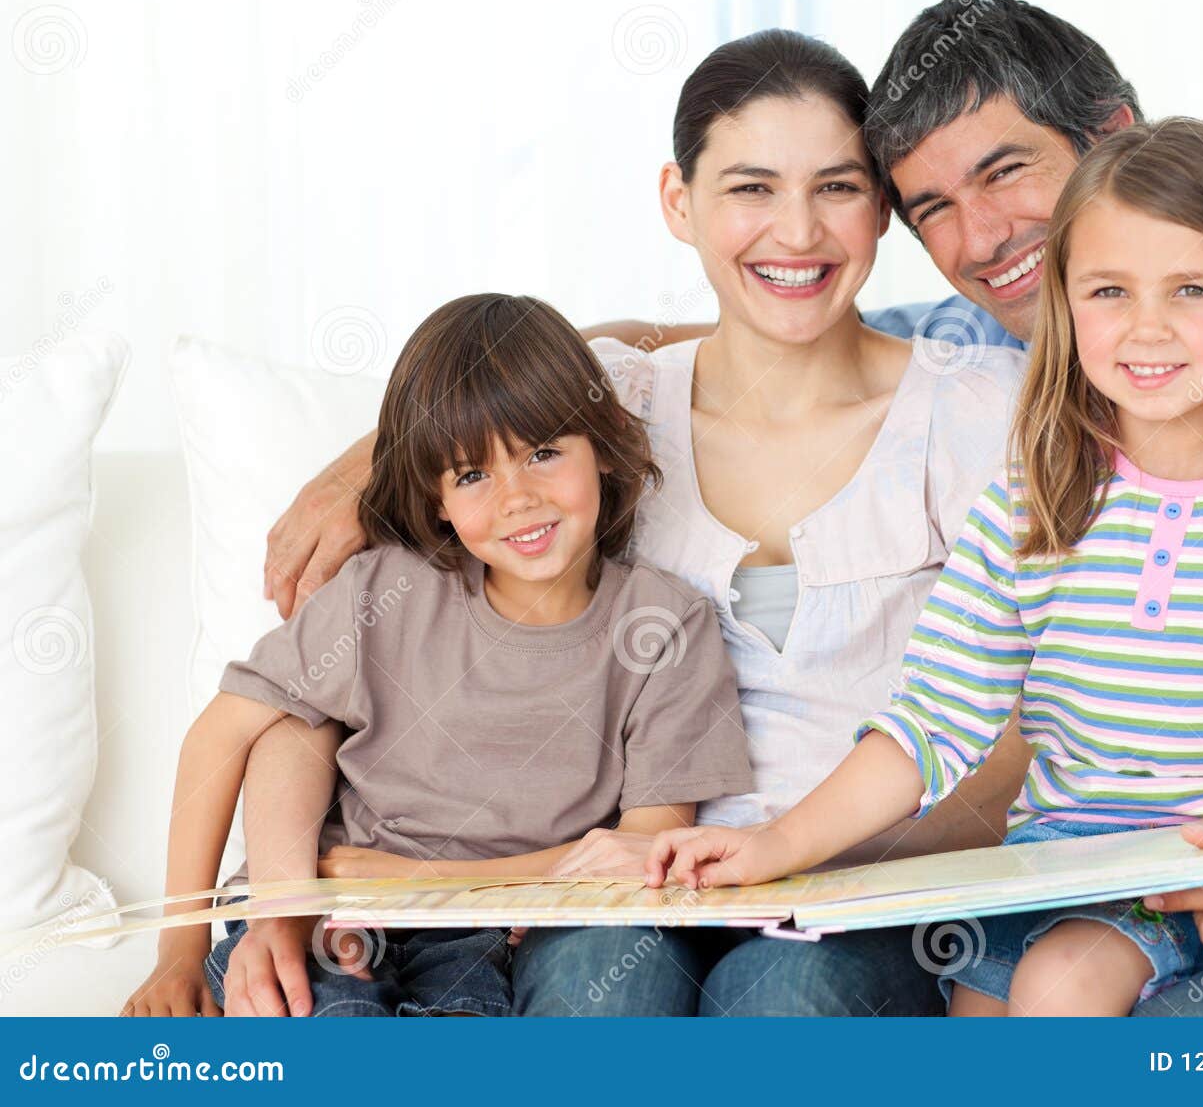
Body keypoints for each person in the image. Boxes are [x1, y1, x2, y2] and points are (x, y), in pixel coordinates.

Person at [249, 30, 1024, 1016]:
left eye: (835, 187)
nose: (796, 233)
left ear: (880, 207)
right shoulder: (596, 411)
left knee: (791, 995)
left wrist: (788, 843)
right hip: (625, 884)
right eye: (749, 188)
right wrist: (377, 448)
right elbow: (483, 427)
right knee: (592, 995)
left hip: (865, 886)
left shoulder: (982, 410)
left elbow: (1029, 733)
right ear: (678, 202)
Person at [648, 118, 1203, 1017]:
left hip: (1200, 879)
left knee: (1058, 990)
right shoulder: (1034, 503)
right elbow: (932, 721)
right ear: (1065, 306)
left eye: (1190, 289)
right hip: (1048, 870)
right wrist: (779, 843)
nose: (1147, 328)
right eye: (1109, 290)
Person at [121, 293, 752, 1017]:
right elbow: (221, 735)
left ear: (602, 450)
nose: (518, 498)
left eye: (543, 453)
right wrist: (176, 953)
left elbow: (647, 853)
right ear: (438, 497)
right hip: (332, 907)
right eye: (473, 474)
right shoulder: (387, 590)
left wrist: (425, 878)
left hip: (485, 937)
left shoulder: (667, 627)